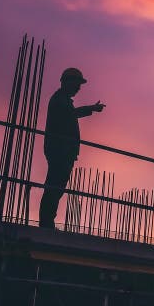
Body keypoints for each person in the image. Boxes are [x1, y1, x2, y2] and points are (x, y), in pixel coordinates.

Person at [39, 67, 105, 229]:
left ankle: (47, 222)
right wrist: (91, 108)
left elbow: (71, 114)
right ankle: (46, 223)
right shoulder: (60, 99)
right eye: (77, 83)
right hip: (59, 150)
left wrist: (90, 109)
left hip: (63, 151)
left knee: (57, 187)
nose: (78, 88)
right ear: (67, 82)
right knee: (54, 186)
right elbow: (70, 114)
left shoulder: (63, 100)